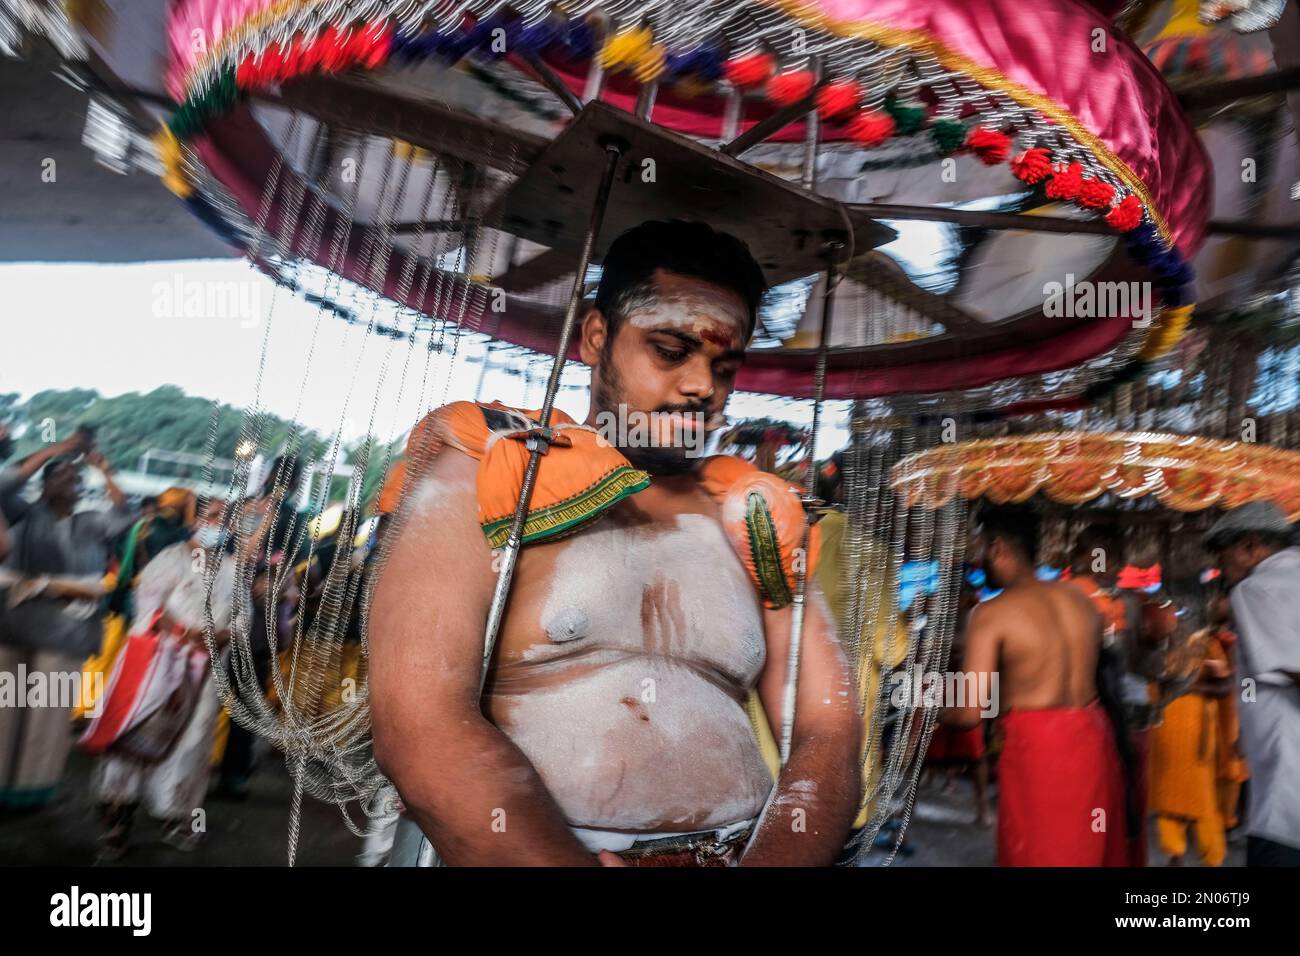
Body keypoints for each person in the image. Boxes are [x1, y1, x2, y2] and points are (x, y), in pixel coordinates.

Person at [370, 220, 861, 866]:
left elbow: (830, 730)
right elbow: (419, 726)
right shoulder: (492, 473)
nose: (700, 386)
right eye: (669, 349)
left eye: (724, 365)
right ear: (596, 338)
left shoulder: (755, 518)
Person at [949, 502, 1131, 866]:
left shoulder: (989, 614)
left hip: (1040, 750)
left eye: (981, 547)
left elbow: (969, 712)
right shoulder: (1079, 600)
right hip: (1093, 737)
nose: (978, 558)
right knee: (1084, 850)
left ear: (997, 547)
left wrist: (926, 705)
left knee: (1039, 852)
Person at [91, 497, 237, 860]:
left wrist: (220, 636)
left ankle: (177, 817)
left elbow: (242, 617)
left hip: (207, 671)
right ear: (195, 521)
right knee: (137, 736)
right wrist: (184, 635)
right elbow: (147, 607)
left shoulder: (234, 568)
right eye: (213, 516)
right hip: (157, 667)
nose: (221, 523)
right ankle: (117, 818)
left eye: (227, 519)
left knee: (192, 744)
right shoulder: (171, 558)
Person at [0, 447, 133, 809]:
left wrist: (105, 469)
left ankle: (33, 790)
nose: (68, 481)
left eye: (75, 478)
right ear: (42, 483)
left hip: (67, 633)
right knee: (8, 709)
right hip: (14, 627)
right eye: (58, 475)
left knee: (48, 712)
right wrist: (54, 452)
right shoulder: (21, 513)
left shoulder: (90, 520)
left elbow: (124, 512)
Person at [1204, 501, 1300, 866]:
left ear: (1249, 546)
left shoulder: (1257, 588)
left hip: (1288, 796)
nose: (1219, 568)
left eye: (1222, 556)